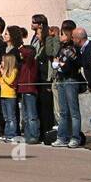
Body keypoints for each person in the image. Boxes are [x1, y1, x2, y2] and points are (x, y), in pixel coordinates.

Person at [52, 20, 84, 148]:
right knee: (63, 111)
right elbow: (57, 60)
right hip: (61, 79)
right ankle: (62, 137)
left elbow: (71, 65)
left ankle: (75, 137)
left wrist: (59, 65)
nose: (61, 37)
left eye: (63, 34)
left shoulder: (74, 48)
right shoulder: (61, 47)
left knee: (73, 111)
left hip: (71, 80)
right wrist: (58, 65)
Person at [29, 14, 59, 143]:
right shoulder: (36, 41)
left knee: (47, 108)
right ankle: (41, 133)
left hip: (46, 78)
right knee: (40, 107)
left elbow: (49, 53)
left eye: (34, 23)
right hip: (38, 78)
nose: (36, 34)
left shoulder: (47, 42)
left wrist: (48, 38)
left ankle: (48, 133)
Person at [12, 26, 41, 145]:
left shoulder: (31, 62)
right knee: (25, 115)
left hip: (30, 90)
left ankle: (34, 135)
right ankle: (28, 135)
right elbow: (18, 76)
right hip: (22, 90)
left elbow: (28, 53)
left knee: (32, 115)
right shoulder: (23, 64)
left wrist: (20, 46)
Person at [0, 52, 20, 143]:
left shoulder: (14, 70)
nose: (1, 62)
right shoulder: (4, 72)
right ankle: (7, 134)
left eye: (3, 61)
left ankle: (12, 134)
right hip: (3, 95)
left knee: (11, 117)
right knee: (6, 117)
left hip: (10, 96)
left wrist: (3, 73)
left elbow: (10, 81)